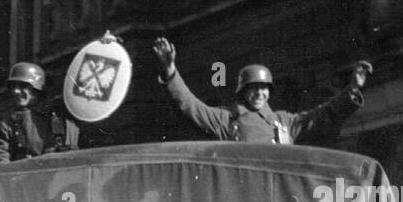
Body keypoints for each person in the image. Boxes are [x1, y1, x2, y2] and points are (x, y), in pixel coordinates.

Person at [152, 36, 370, 146]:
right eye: (253, 88)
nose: (259, 94)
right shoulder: (226, 120)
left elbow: (322, 116)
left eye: (264, 89)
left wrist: (351, 90)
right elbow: (191, 107)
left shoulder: (283, 123)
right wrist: (171, 71)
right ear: (242, 92)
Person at [0, 62, 78, 169]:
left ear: (37, 88)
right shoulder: (8, 123)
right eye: (13, 86)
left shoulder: (60, 118)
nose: (15, 91)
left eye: (23, 86)